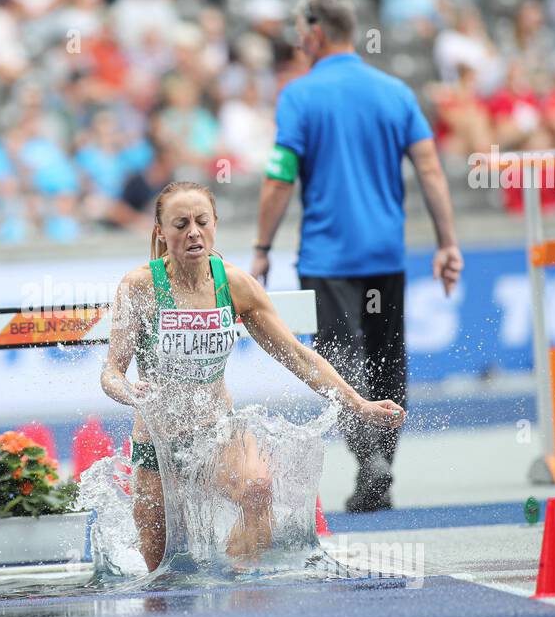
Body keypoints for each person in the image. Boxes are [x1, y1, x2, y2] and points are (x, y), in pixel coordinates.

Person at [101, 181, 406, 571]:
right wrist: (129, 391)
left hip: (215, 432)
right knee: (162, 570)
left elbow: (299, 357)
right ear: (160, 231)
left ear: (215, 224)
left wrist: (358, 404)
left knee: (257, 489)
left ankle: (236, 588)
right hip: (157, 446)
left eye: (202, 221)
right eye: (180, 224)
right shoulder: (139, 286)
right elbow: (110, 372)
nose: (193, 232)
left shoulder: (236, 284)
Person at [253, 0, 461, 514]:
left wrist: (261, 247)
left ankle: (367, 456)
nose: (298, 40)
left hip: (328, 258)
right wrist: (447, 242)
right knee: (389, 362)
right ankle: (383, 465)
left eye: (301, 29)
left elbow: (279, 180)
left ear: (317, 31)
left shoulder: (299, 96)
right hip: (385, 255)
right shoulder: (395, 92)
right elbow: (431, 169)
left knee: (342, 362)